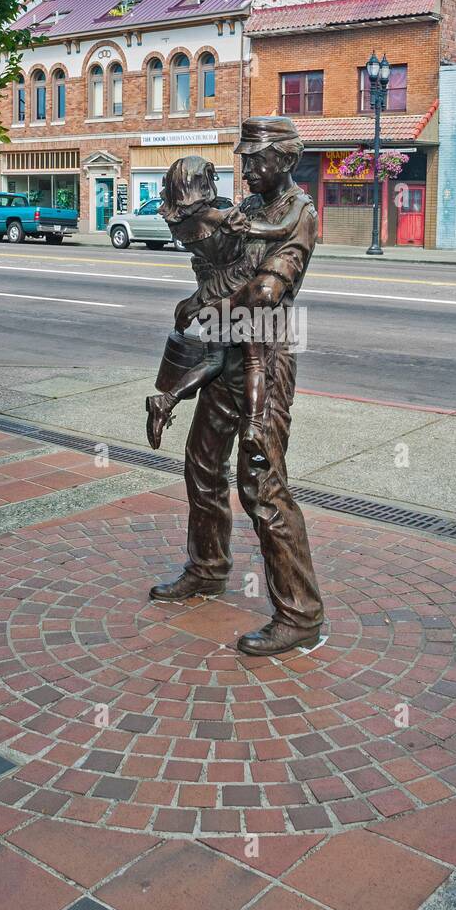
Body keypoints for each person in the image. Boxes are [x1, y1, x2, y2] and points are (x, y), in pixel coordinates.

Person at [148, 117, 325, 658]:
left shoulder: (300, 215)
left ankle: (300, 613)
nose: (245, 167)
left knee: (261, 486)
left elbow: (267, 293)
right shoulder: (247, 209)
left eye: (255, 158)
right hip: (226, 351)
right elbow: (219, 258)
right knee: (200, 464)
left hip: (265, 360)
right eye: (243, 157)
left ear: (283, 159)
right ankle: (207, 567)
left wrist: (208, 307)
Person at [144, 155, 312, 458]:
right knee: (255, 360)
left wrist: (200, 301)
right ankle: (253, 425)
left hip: (211, 292)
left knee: (213, 361)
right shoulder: (218, 216)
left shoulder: (184, 221)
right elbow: (279, 230)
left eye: (253, 161)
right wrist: (299, 207)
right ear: (200, 184)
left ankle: (166, 400)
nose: (246, 172)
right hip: (235, 291)